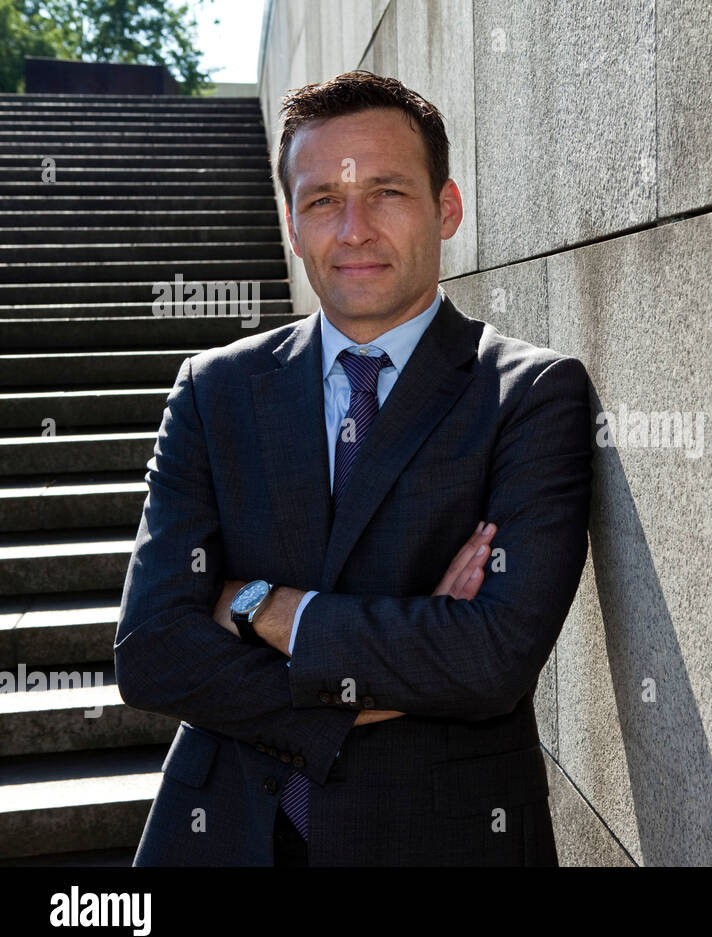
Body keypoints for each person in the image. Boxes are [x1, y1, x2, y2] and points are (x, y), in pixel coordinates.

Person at [114, 71, 593, 866]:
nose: (355, 229)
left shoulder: (529, 394)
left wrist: (258, 606)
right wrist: (385, 675)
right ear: (294, 227)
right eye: (323, 201)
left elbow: (489, 660)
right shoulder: (214, 390)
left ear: (446, 208)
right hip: (222, 834)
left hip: (440, 840)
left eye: (387, 192)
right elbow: (154, 653)